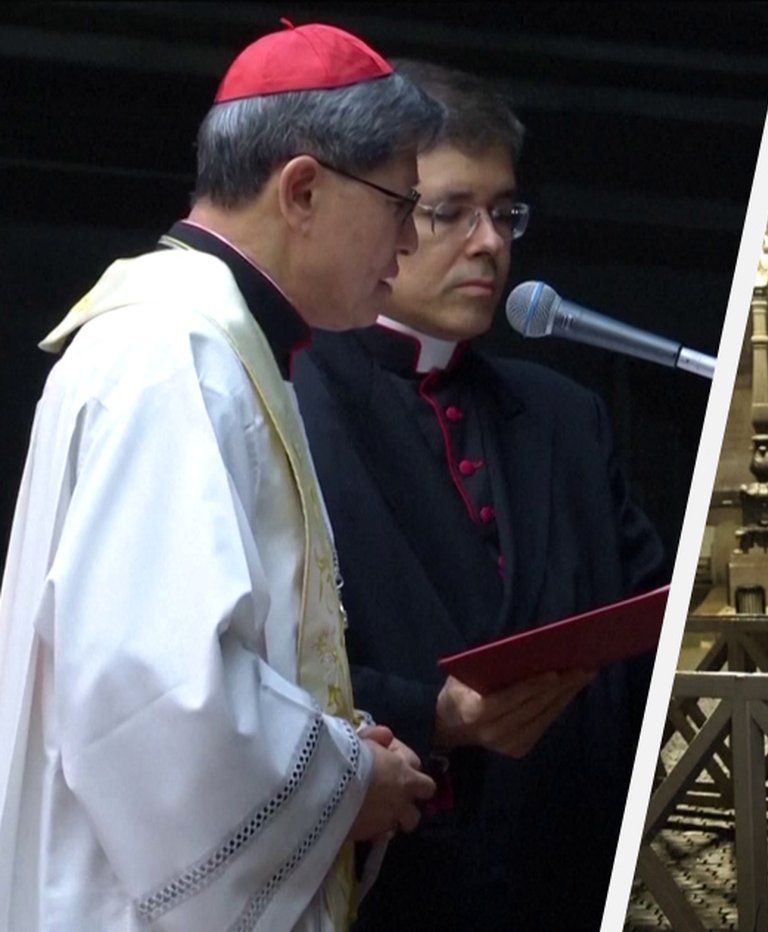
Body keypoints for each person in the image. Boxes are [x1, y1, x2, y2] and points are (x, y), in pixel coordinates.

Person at [0, 23, 443, 930]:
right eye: (402, 204)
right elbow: (157, 698)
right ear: (305, 189)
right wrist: (353, 779)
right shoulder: (174, 354)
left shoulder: (204, 341)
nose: (407, 243)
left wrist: (335, 742)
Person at [291, 62, 666, 931]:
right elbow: (264, 669)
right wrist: (436, 715)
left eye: (504, 213)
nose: (491, 242)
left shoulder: (568, 417)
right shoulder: (288, 402)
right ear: (380, 216)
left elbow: (643, 627)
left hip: (565, 878)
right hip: (389, 885)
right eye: (450, 211)